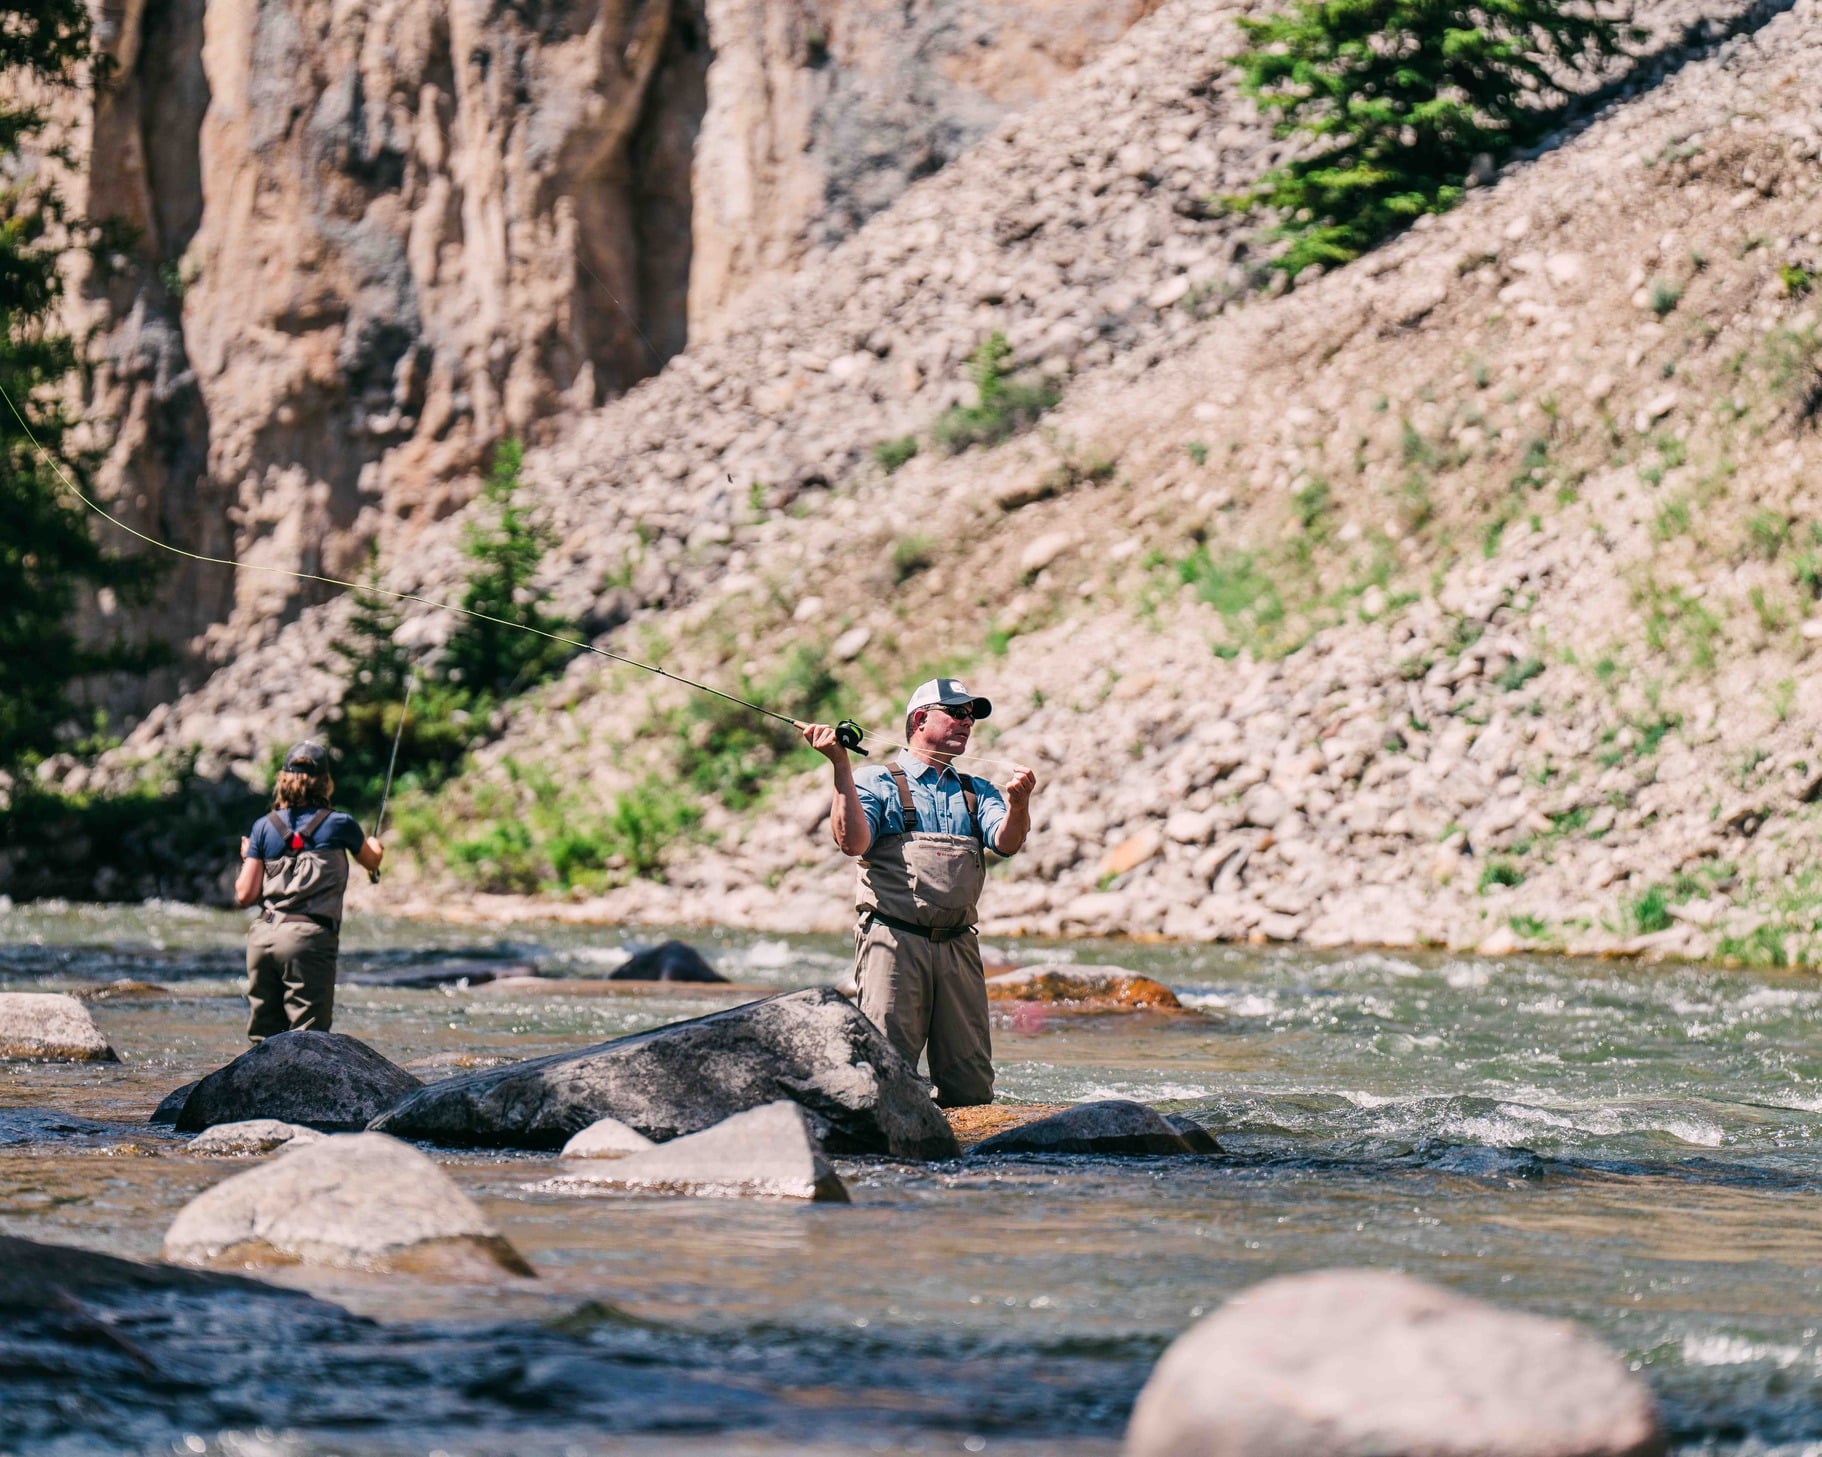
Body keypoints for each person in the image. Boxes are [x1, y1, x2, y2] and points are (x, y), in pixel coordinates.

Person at [801, 678, 1037, 1106]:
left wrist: (1019, 804)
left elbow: (1007, 842)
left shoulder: (977, 791)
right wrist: (840, 767)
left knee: (971, 1088)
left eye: (971, 717)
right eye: (956, 713)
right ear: (920, 719)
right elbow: (852, 842)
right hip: (893, 942)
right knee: (885, 1079)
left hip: (959, 947)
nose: (967, 723)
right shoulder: (876, 781)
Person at [233, 740, 383, 1041]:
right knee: (309, 1043)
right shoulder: (341, 824)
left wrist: (249, 857)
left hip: (263, 940)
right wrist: (376, 847)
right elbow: (371, 859)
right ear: (326, 783)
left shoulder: (263, 827)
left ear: (283, 780)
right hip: (307, 942)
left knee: (263, 1045)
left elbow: (244, 895)